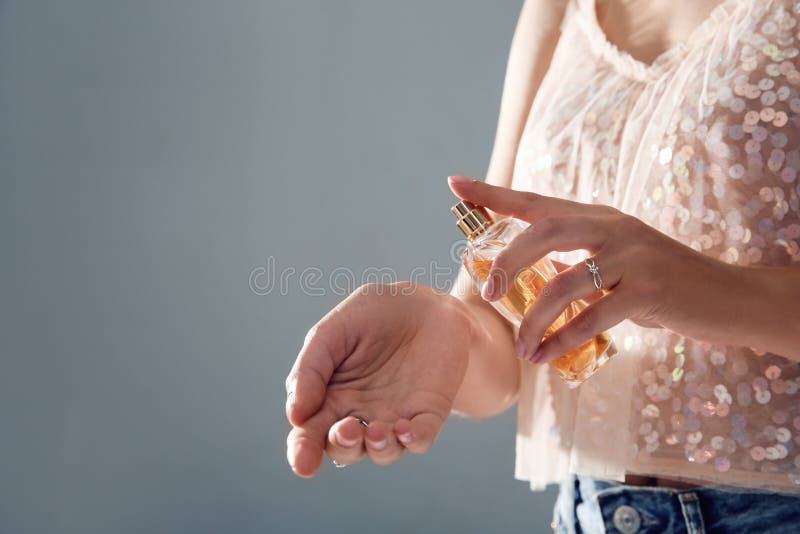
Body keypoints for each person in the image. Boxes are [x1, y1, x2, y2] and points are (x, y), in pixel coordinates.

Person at [285, 0, 800, 531]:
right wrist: (452, 327)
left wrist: (698, 286)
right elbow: (510, 340)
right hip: (589, 512)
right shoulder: (559, 7)